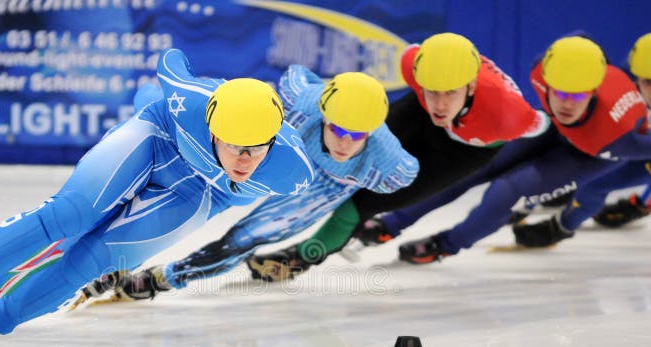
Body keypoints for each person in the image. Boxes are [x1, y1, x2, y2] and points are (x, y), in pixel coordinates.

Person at [0, 48, 315, 347]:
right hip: (158, 138)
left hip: (200, 193)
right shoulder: (187, 101)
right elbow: (169, 63)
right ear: (211, 126)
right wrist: (145, 106)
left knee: (93, 259)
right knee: (71, 215)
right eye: (234, 146)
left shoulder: (291, 170)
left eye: (256, 150)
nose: (244, 161)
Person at [69, 66, 418, 303]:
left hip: (325, 185)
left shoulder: (389, 161)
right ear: (324, 114)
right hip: (281, 158)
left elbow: (409, 178)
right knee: (188, 204)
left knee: (246, 238)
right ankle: (118, 259)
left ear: (372, 133)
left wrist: (352, 195)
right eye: (338, 128)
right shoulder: (305, 101)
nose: (344, 141)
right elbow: (296, 75)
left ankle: (161, 279)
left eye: (356, 135)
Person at [245, 32, 549, 280]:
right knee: (357, 158)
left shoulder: (510, 114)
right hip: (417, 115)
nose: (440, 105)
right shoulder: (414, 67)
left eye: (450, 93)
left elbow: (544, 126)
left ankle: (297, 260)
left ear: (470, 86)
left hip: (465, 151)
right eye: (432, 90)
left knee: (359, 205)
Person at [393, 35, 650, 263]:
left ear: (593, 92)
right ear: (546, 83)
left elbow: (598, 186)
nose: (566, 105)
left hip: (591, 153)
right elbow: (580, 39)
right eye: (560, 92)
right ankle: (391, 222)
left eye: (578, 96)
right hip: (559, 130)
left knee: (506, 191)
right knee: (476, 168)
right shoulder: (541, 69)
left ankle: (446, 244)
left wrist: (562, 226)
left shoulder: (616, 139)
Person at [513, 32, 651, 245]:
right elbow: (583, 43)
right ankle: (551, 197)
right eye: (648, 81)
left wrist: (641, 204)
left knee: (595, 184)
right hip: (627, 135)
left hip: (636, 145)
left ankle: (559, 228)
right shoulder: (635, 66)